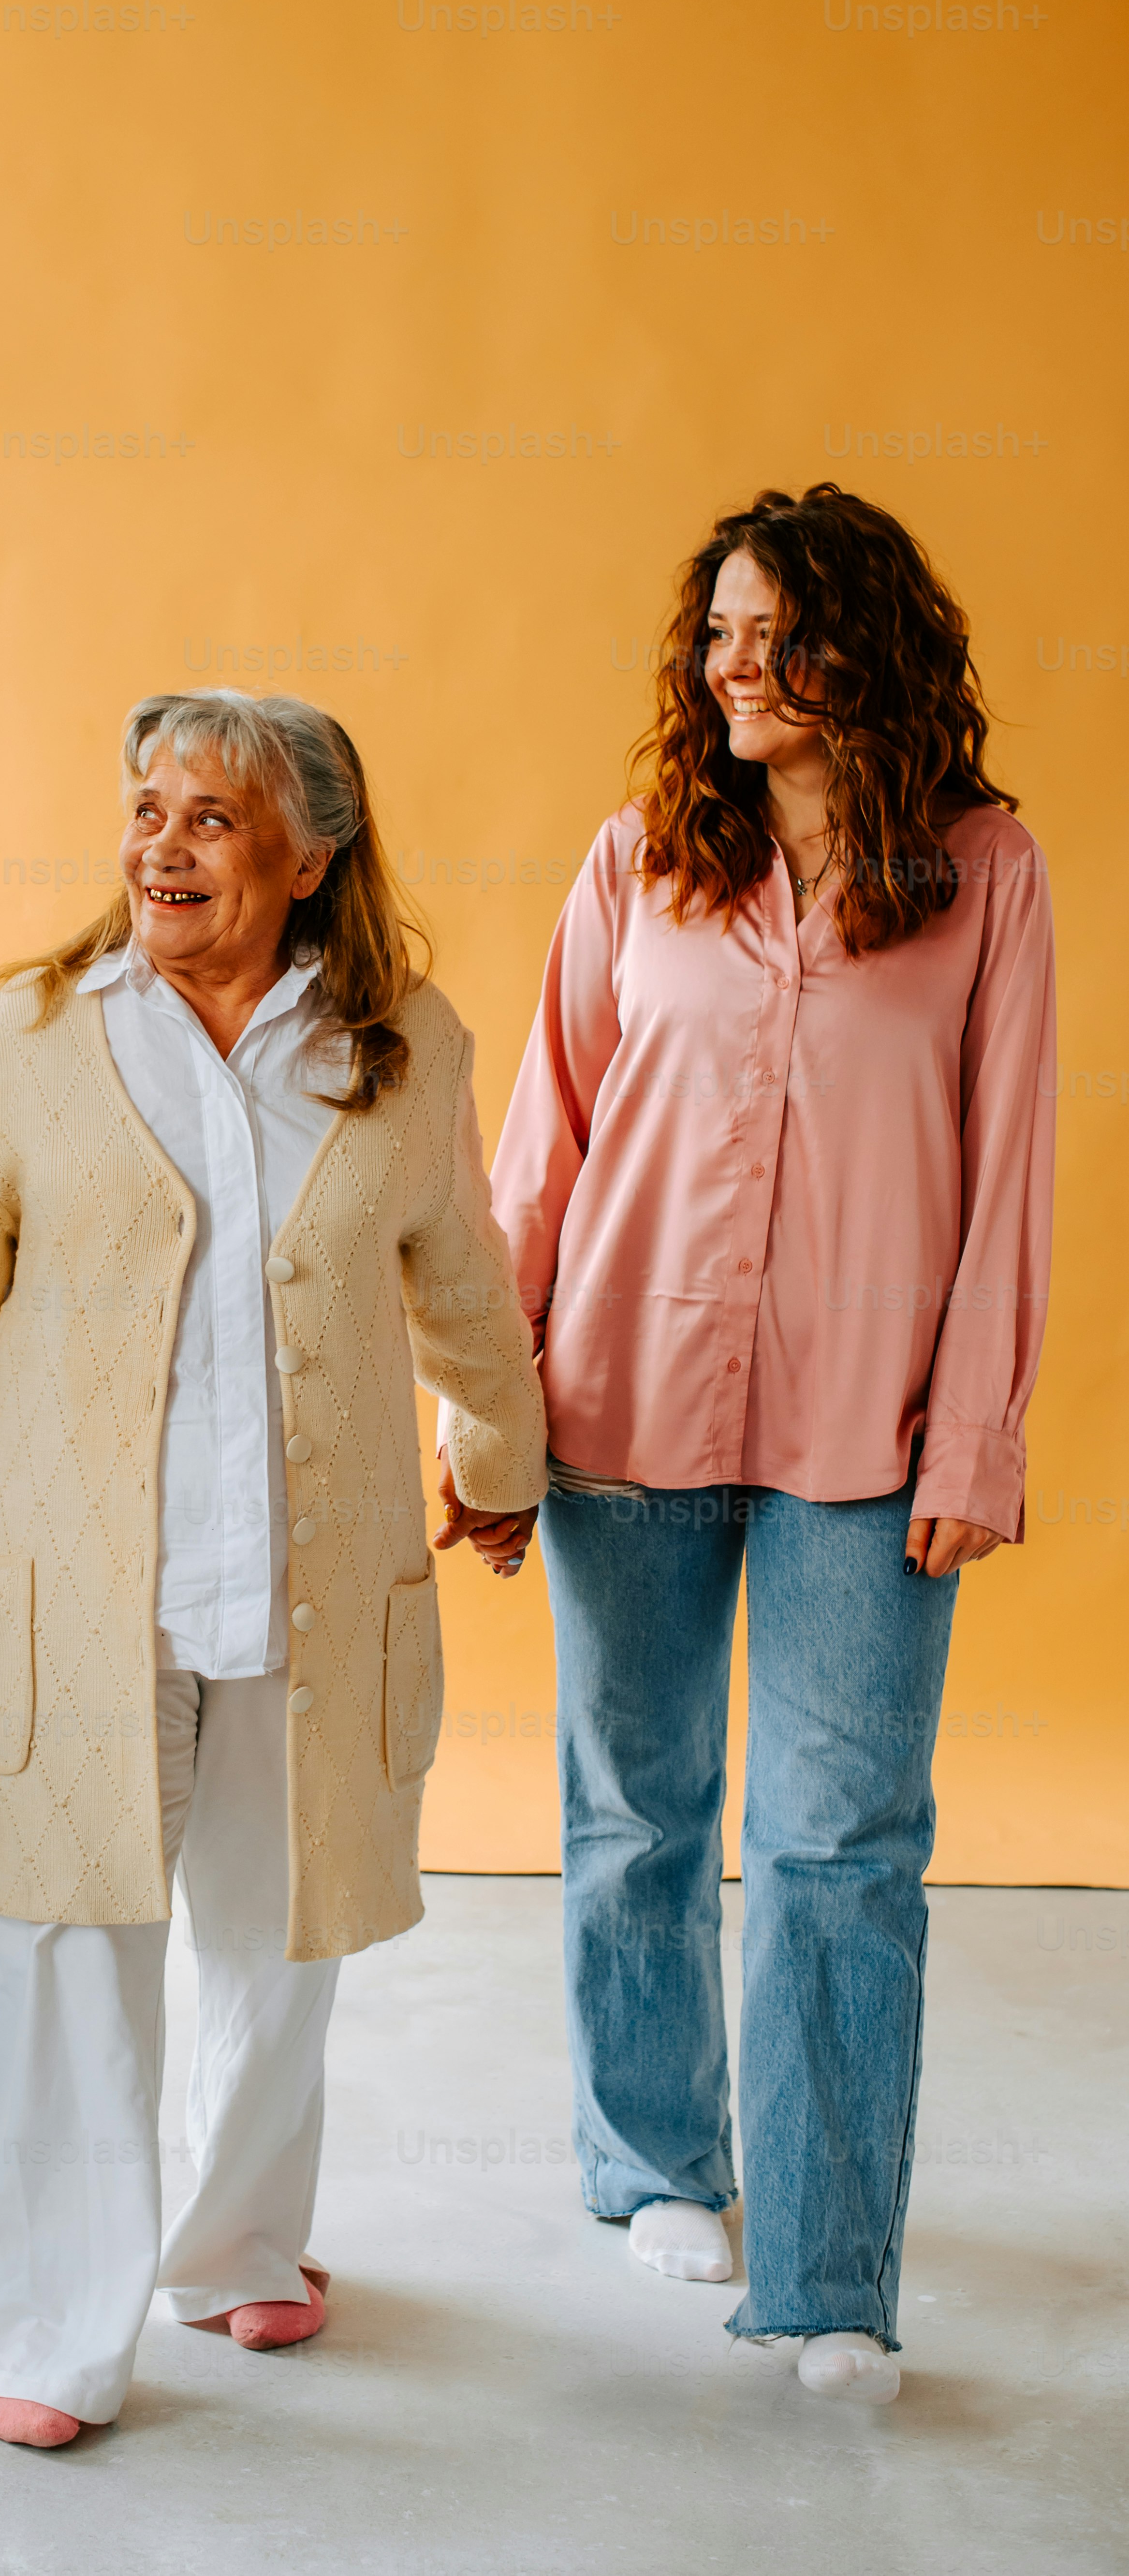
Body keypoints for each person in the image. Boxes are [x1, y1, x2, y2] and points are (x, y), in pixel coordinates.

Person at [0, 690, 546, 2444]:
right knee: (69, 1943)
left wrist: (499, 1467)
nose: (162, 845)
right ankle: (55, 2331)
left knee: (287, 1938)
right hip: (84, 1584)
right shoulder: (35, 1035)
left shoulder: (403, 1044)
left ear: (309, 854)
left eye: (212, 818)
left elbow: (462, 1277)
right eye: (146, 810)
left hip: (320, 1564)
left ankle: (238, 2244)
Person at [469, 484, 1055, 2401]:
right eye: (714, 632)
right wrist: (488, 1415)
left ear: (859, 649)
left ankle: (822, 2275)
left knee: (840, 1850)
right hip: (616, 1410)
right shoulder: (642, 857)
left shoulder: (985, 871)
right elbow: (540, 1147)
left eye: (769, 633)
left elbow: (1009, 1173)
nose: (730, 667)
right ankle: (653, 2160)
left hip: (866, 1437)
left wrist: (975, 1434)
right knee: (634, 1815)